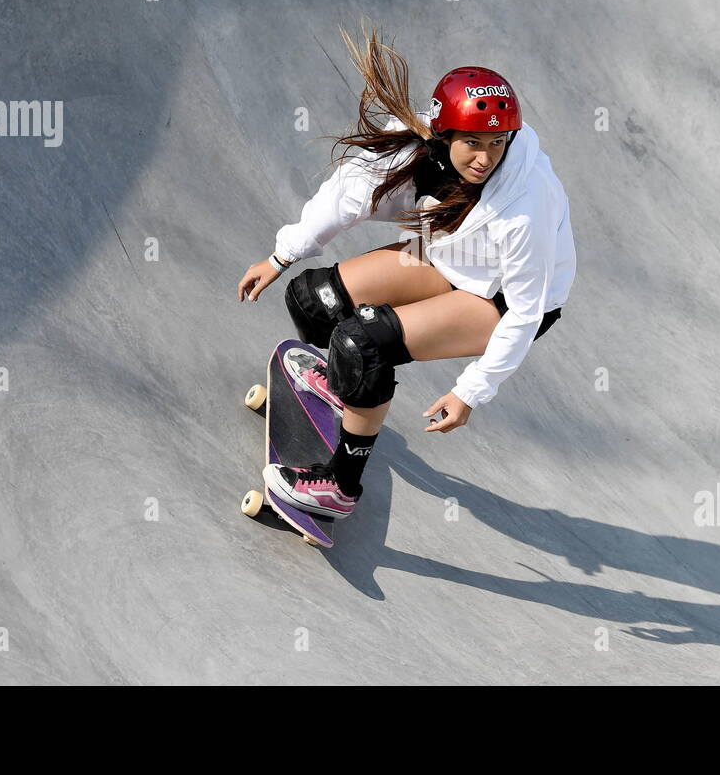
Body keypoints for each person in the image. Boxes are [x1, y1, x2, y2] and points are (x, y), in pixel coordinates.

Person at [238, 27, 576, 521]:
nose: (485, 159)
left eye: (497, 144)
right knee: (314, 299)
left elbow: (526, 311)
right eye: (473, 144)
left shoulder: (525, 206)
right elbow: (348, 192)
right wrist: (281, 256)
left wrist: (471, 391)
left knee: (363, 344)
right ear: (445, 134)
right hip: (450, 256)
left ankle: (339, 487)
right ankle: (347, 391)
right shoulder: (423, 147)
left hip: (507, 300)